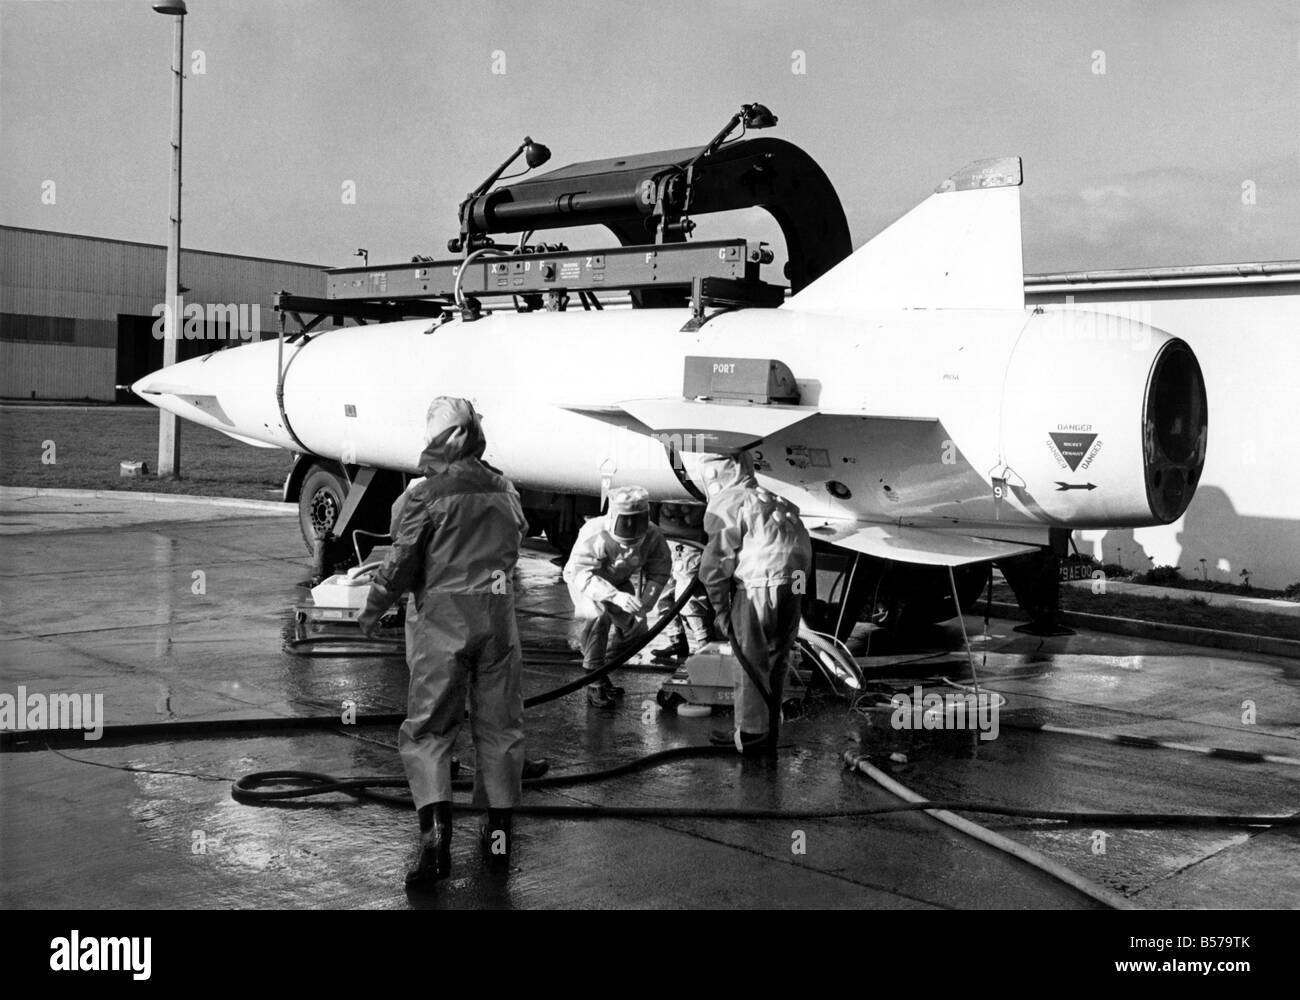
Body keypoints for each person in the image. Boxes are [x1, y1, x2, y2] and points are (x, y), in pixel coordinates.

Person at [358, 397, 527, 889]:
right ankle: (498, 845)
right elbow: (519, 536)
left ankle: (435, 850)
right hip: (498, 619)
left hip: (444, 624)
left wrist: (373, 610)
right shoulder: (505, 488)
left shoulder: (423, 495)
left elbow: (402, 559)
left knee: (430, 732)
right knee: (500, 730)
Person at [698, 452, 812, 755]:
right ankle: (768, 731)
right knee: (777, 659)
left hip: (758, 584)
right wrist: (797, 592)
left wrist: (721, 611)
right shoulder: (776, 500)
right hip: (795, 581)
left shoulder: (729, 502)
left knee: (750, 661)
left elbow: (714, 565)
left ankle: (750, 735)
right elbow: (800, 546)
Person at [562, 486, 671, 708]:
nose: (631, 527)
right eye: (625, 521)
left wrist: (646, 602)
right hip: (587, 582)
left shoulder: (652, 535)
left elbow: (659, 571)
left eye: (636, 521)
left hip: (619, 583)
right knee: (597, 618)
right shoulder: (594, 532)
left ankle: (602, 669)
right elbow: (581, 572)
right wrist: (614, 597)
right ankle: (594, 680)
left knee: (637, 628)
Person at [648, 505, 715, 661]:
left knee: (687, 598)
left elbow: (699, 512)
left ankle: (706, 645)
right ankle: (676, 640)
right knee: (661, 593)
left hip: (691, 541)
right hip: (666, 539)